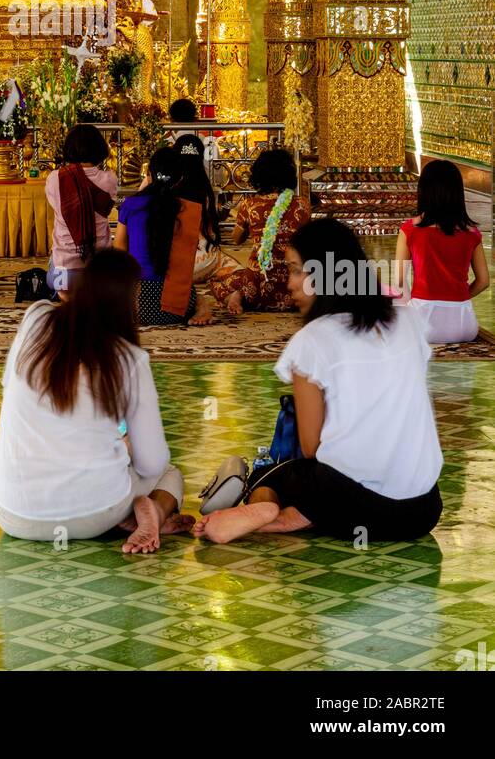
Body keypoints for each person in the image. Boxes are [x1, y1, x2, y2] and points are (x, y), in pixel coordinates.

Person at [193, 219, 443, 544]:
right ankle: (300, 515)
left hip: (350, 502)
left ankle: (273, 516)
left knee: (271, 475)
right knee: (344, 476)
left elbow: (312, 447)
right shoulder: (409, 320)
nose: (290, 285)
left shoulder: (312, 339)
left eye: (298, 271)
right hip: (421, 510)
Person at [0, 249, 192, 553]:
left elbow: (9, 385)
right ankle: (155, 513)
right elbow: (152, 462)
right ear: (126, 301)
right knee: (170, 473)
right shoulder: (130, 359)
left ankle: (126, 510)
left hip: (14, 513)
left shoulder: (35, 319)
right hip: (96, 514)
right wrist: (125, 448)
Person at [114, 146, 218, 327]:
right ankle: (201, 307)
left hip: (136, 308)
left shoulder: (131, 204)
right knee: (199, 296)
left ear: (149, 173)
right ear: (180, 179)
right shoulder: (190, 209)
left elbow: (119, 251)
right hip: (177, 308)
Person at [395, 159, 489, 344]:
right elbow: (484, 281)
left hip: (424, 326)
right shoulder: (472, 234)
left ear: (423, 192)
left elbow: (399, 283)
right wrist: (457, 299)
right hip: (465, 327)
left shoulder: (409, 230)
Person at [211, 146, 310, 314]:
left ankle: (236, 295)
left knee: (217, 281)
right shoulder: (302, 205)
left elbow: (237, 239)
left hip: (256, 288)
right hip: (293, 287)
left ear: (258, 176)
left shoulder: (250, 205)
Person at [44, 123, 118, 294]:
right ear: (100, 148)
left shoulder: (56, 179)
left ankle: (63, 294)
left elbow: (58, 208)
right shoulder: (109, 179)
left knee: (54, 258)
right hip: (100, 272)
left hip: (64, 271)